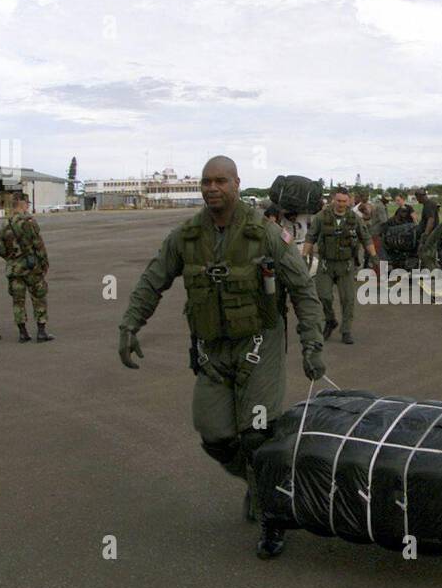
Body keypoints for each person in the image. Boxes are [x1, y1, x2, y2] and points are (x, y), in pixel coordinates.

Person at [117, 155, 327, 559]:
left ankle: (271, 516)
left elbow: (302, 290)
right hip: (213, 350)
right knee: (214, 435)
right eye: (206, 182)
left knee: (257, 433)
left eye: (220, 181)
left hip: (258, 344)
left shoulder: (264, 234)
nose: (212, 188)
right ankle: (257, 479)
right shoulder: (187, 236)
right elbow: (153, 279)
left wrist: (311, 344)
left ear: (236, 184)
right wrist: (130, 325)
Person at [302, 187, 376, 345]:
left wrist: (374, 257)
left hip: (346, 265)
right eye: (338, 200)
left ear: (348, 201)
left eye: (344, 201)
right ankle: (330, 319)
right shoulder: (322, 217)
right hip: (326, 264)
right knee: (323, 296)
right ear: (333, 200)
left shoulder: (354, 218)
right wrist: (303, 257)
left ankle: (346, 330)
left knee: (348, 299)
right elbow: (310, 237)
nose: (341, 204)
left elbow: (366, 238)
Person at [0, 192, 53, 343]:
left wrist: (12, 259)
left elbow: (1, 250)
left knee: (18, 301)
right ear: (21, 203)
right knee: (39, 298)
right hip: (32, 268)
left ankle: (23, 332)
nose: (28, 206)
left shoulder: (6, 224)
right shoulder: (29, 221)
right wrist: (44, 262)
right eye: (27, 203)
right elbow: (38, 244)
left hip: (15, 269)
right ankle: (41, 332)